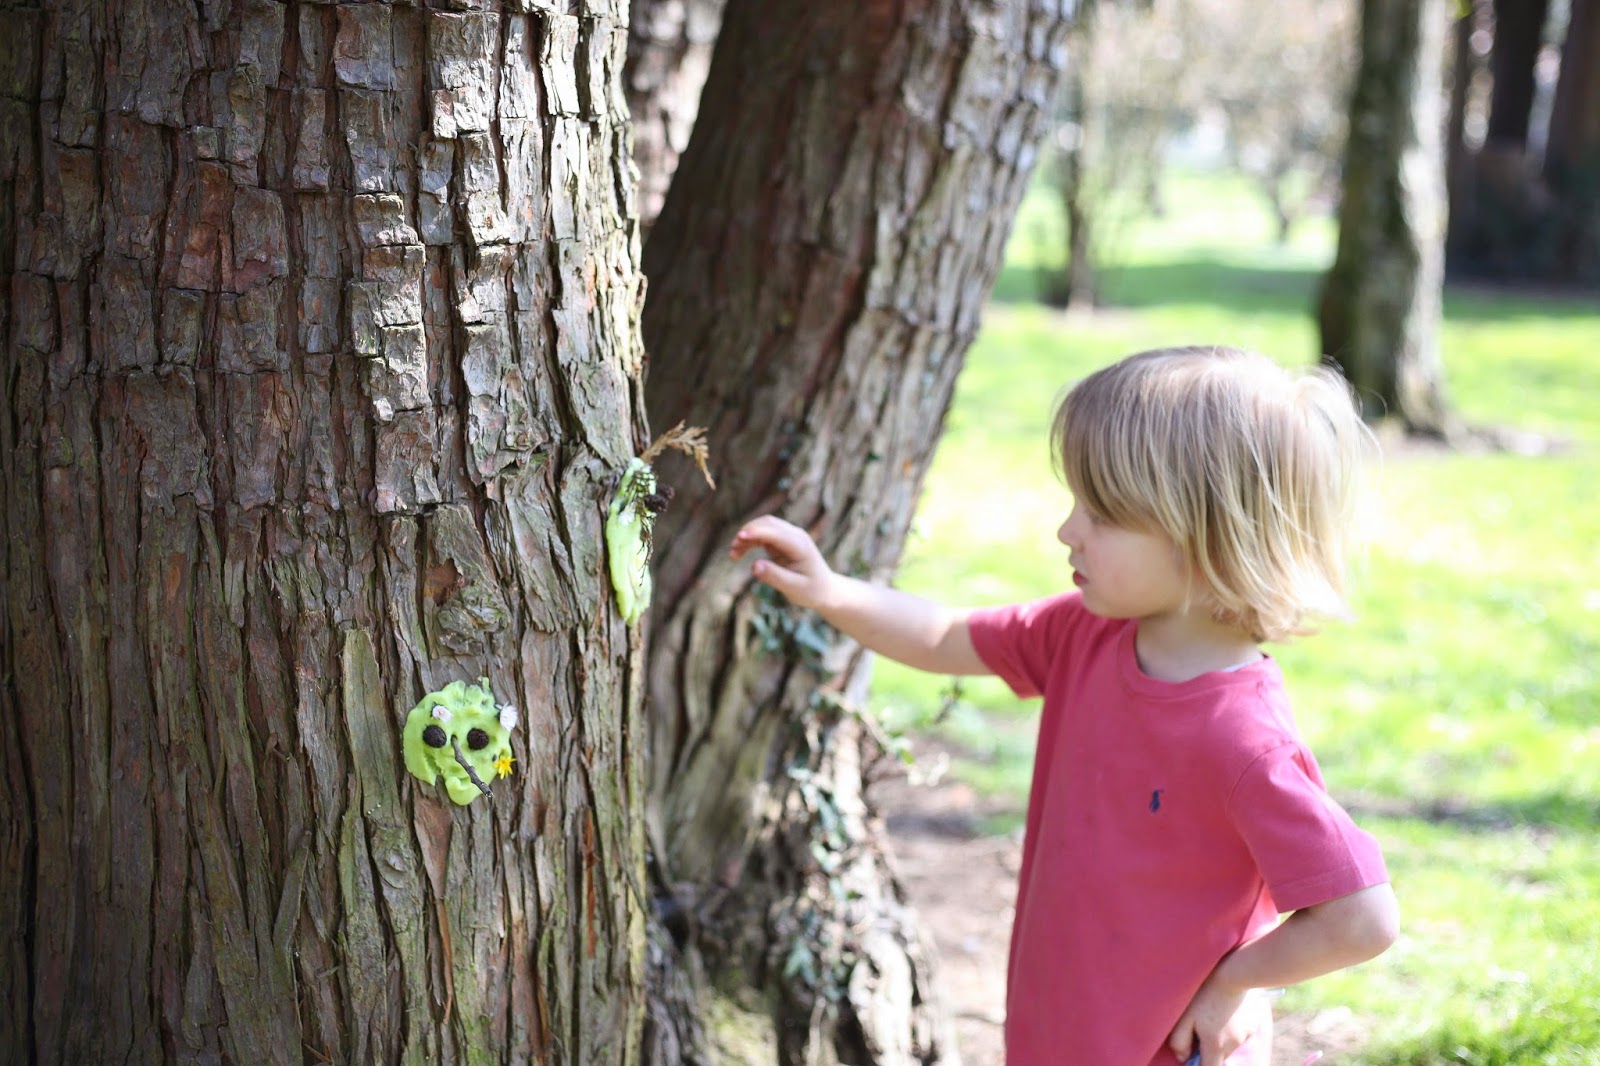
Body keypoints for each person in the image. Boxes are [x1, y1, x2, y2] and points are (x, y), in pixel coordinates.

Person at [729, 346, 1400, 1066]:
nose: (1067, 529)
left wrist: (1237, 982)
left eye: (1101, 512)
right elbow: (946, 635)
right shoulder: (1084, 635)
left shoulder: (1244, 741)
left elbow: (1363, 918)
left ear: (1206, 538)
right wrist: (831, 591)